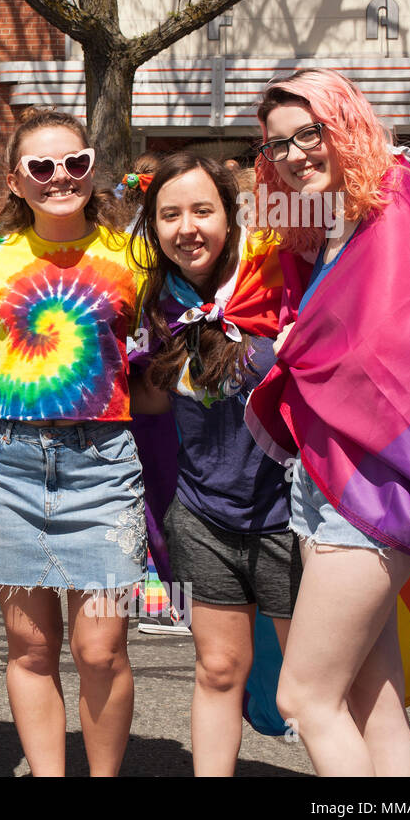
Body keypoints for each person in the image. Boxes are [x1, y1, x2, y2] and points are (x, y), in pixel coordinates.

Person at [247, 69, 410, 776]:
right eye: (278, 145)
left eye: (309, 133)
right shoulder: (334, 226)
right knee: (369, 693)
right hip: (329, 478)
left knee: (305, 695)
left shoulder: (390, 210)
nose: (294, 155)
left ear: (345, 124)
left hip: (376, 485)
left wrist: (301, 348)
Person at [0, 108, 147, 777]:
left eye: (75, 162)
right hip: (11, 462)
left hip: (102, 465)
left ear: (93, 167)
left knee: (100, 649)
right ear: (16, 181)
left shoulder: (132, 254)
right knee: (31, 648)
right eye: (40, 167)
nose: (59, 177)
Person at [129, 151, 301, 775]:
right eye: (169, 214)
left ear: (231, 215)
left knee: (315, 689)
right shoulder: (155, 303)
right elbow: (146, 400)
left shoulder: (279, 283)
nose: (186, 227)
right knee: (219, 668)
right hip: (202, 516)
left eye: (203, 209)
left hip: (291, 521)